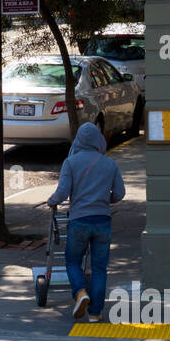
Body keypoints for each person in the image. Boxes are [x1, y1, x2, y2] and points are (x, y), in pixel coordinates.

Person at [46, 122, 126, 322]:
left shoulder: (71, 162)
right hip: (103, 220)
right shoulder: (110, 164)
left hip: (79, 220)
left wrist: (52, 201)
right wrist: (102, 200)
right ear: (98, 140)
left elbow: (62, 192)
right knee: (99, 267)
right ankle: (95, 312)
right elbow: (120, 193)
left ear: (79, 140)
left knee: (73, 260)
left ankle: (80, 292)